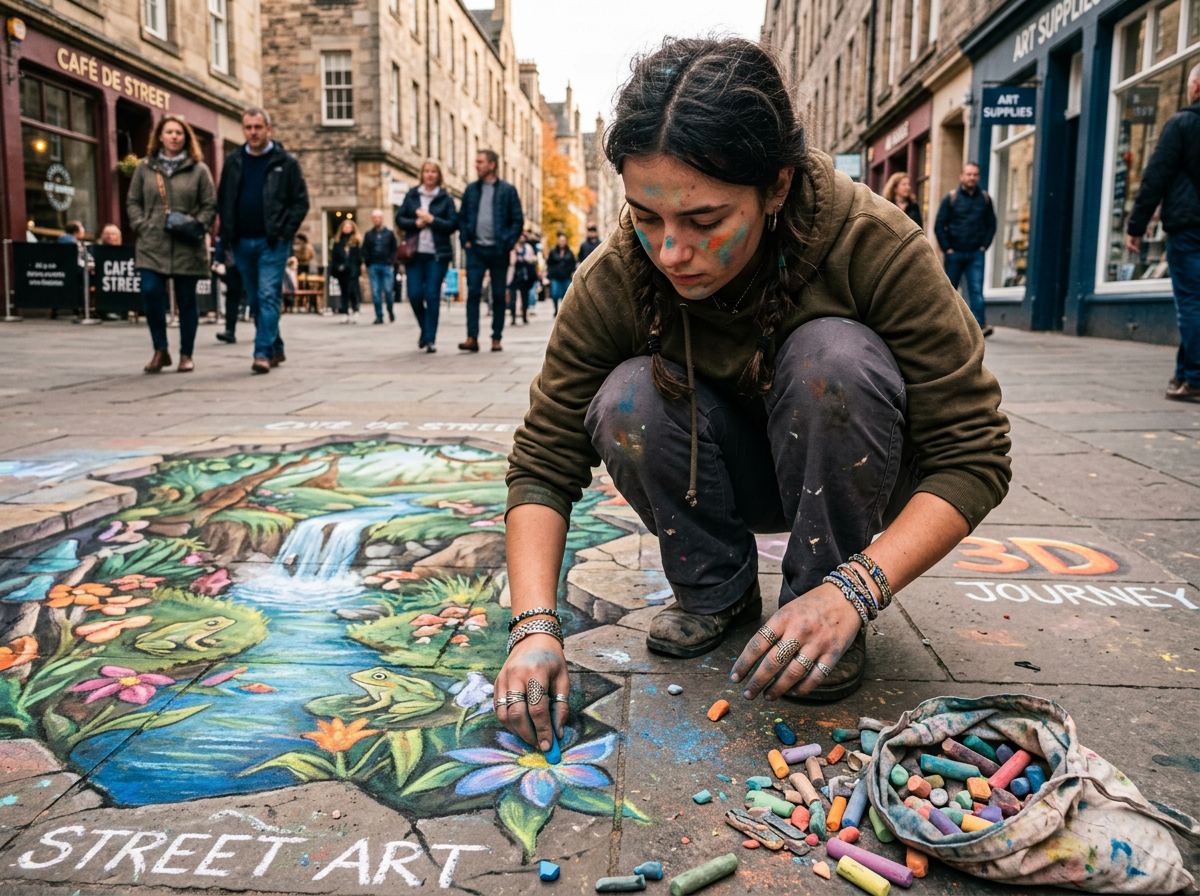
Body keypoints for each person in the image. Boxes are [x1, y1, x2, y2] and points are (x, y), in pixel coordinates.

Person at [493, 37, 1011, 753]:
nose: (671, 251)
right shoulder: (617, 275)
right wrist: (534, 629)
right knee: (625, 399)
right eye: (646, 218)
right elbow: (542, 462)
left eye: (704, 222)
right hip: (725, 469)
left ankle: (818, 603)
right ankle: (718, 594)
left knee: (833, 358)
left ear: (778, 186)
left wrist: (857, 590)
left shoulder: (873, 244)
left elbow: (975, 455)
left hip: (851, 467)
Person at [1126, 62, 1200, 403]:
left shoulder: (1182, 123)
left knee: (1191, 302)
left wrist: (1136, 226)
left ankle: (1195, 378)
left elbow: (1156, 177)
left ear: (1195, 88)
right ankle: (1184, 373)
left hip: (1188, 227)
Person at [216, 107, 309, 374]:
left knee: (269, 295)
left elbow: (300, 202)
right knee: (256, 300)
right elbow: (224, 200)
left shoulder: (286, 163)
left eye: (258, 127)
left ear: (268, 129)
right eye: (248, 128)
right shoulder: (234, 161)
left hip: (273, 242)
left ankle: (262, 352)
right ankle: (276, 345)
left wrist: (285, 231)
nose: (253, 132)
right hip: (242, 242)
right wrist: (228, 235)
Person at [126, 114, 216, 373]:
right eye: (169, 132)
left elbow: (209, 205)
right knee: (151, 291)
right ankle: (160, 350)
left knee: (187, 300)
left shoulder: (199, 169)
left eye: (179, 132)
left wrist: (197, 226)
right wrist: (142, 225)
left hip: (187, 243)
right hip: (153, 242)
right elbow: (133, 201)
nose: (174, 136)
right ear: (160, 137)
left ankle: (186, 354)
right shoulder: (145, 167)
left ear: (186, 137)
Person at [458, 149, 524, 351]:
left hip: (498, 251)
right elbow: (462, 217)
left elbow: (517, 220)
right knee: (474, 293)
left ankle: (496, 338)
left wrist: (508, 242)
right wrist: (465, 240)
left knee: (497, 294)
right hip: (476, 250)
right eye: (476, 161)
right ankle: (472, 338)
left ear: (492, 164)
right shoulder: (471, 190)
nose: (476, 165)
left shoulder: (507, 190)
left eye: (480, 162)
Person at [396, 159, 458, 351]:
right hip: (414, 254)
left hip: (437, 255)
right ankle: (425, 329)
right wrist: (416, 223)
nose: (430, 175)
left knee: (431, 294)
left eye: (434, 172)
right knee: (414, 294)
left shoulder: (445, 198)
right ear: (421, 174)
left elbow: (452, 225)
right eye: (427, 171)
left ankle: (430, 339)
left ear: (439, 175)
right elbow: (400, 218)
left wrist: (432, 220)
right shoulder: (412, 195)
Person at [934, 163, 996, 337]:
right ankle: (948, 325)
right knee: (950, 289)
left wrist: (984, 246)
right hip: (955, 253)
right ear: (962, 176)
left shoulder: (985, 199)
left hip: (976, 253)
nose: (972, 178)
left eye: (975, 175)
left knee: (976, 289)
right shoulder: (951, 198)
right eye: (969, 174)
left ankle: (980, 325)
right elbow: (939, 225)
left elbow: (991, 225)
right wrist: (948, 248)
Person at [363, 209, 399, 324]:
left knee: (388, 291)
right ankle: (379, 315)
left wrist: (391, 261)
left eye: (378, 217)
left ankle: (390, 310)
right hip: (373, 265)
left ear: (382, 218)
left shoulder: (389, 233)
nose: (376, 219)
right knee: (375, 292)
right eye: (374, 217)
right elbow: (365, 250)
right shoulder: (368, 234)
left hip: (386, 266)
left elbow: (395, 249)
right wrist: (367, 262)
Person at [330, 219, 362, 324]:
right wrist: (337, 267)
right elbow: (334, 256)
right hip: (342, 271)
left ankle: (355, 309)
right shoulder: (338, 242)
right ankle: (345, 312)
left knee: (353, 291)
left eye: (349, 227)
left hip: (353, 271)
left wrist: (358, 268)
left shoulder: (356, 241)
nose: (347, 229)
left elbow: (359, 257)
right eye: (345, 227)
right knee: (344, 292)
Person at [214, 236, 244, 343]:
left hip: (250, 254)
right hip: (231, 257)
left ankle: (262, 329)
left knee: (256, 293)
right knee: (232, 293)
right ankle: (229, 330)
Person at [508, 232, 538, 325]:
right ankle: (513, 317)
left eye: (523, 237)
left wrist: (527, 259)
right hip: (514, 276)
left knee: (525, 297)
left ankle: (524, 316)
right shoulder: (512, 247)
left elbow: (534, 258)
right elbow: (510, 262)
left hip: (525, 276)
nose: (521, 239)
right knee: (512, 298)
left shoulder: (528, 247)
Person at [545, 231, 576, 316]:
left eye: (563, 240)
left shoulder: (569, 252)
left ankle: (563, 311)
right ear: (558, 241)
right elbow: (549, 263)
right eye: (560, 240)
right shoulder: (553, 251)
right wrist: (550, 273)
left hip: (566, 277)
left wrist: (571, 273)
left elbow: (573, 264)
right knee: (554, 294)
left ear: (565, 241)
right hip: (555, 277)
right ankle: (555, 309)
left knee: (565, 295)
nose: (562, 242)